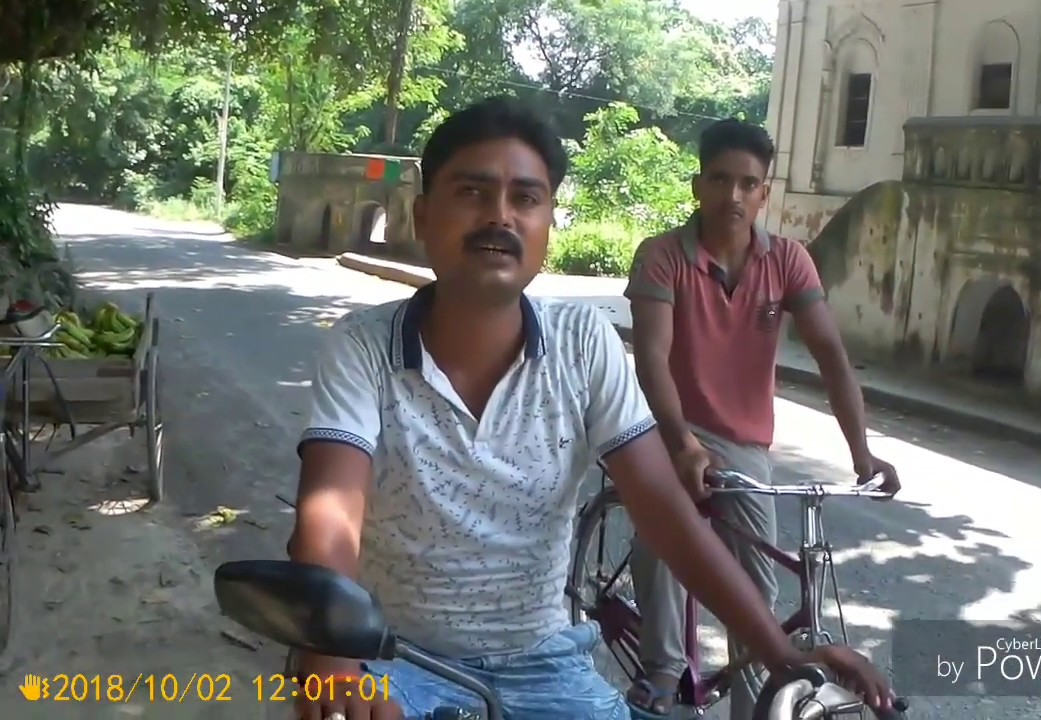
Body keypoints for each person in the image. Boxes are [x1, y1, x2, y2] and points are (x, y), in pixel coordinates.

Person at [286, 97, 896, 720]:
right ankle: (663, 669)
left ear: (548, 224)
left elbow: (663, 509)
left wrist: (783, 654)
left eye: (526, 198)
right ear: (422, 214)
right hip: (394, 660)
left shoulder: (582, 343)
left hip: (544, 666)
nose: (499, 215)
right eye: (472, 192)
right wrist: (331, 659)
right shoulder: (363, 348)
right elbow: (330, 515)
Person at [623, 118, 900, 720]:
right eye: (720, 180)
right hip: (669, 427)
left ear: (764, 193)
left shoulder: (789, 260)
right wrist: (682, 442)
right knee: (664, 537)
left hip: (744, 444)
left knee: (758, 588)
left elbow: (831, 355)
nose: (734, 195)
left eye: (748, 183)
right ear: (698, 185)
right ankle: (661, 670)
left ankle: (757, 709)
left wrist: (862, 453)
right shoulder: (663, 256)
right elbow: (651, 359)